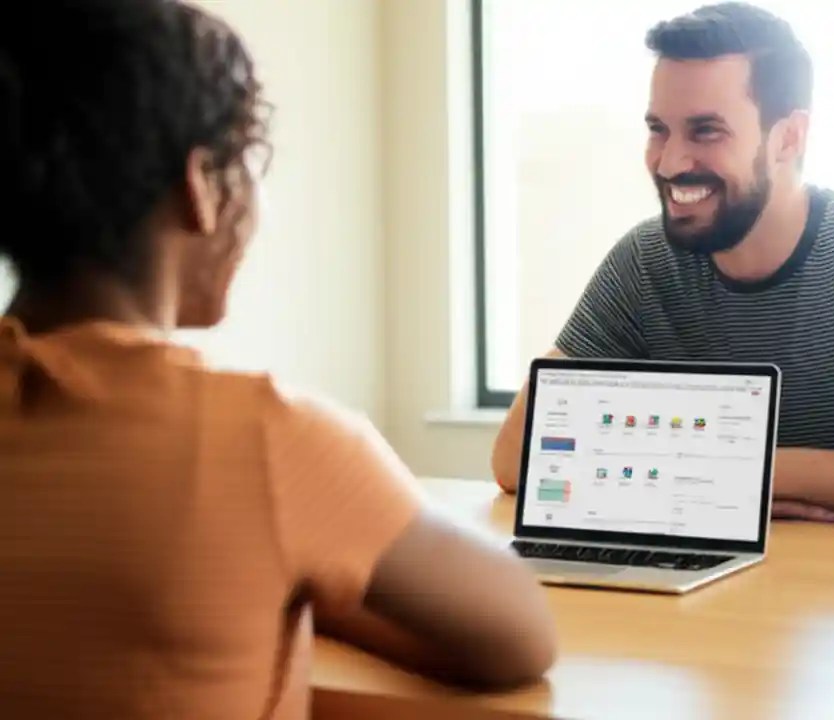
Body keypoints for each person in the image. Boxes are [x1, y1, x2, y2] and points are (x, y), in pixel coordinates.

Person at [0, 1, 554, 716]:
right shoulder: (266, 440)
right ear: (202, 187)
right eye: (253, 163)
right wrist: (311, 582)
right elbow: (521, 635)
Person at [492, 2, 834, 530]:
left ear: (788, 137)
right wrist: (717, 483)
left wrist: (751, 474)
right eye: (659, 129)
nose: (671, 161)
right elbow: (517, 454)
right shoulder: (645, 261)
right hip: (717, 592)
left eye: (706, 131)